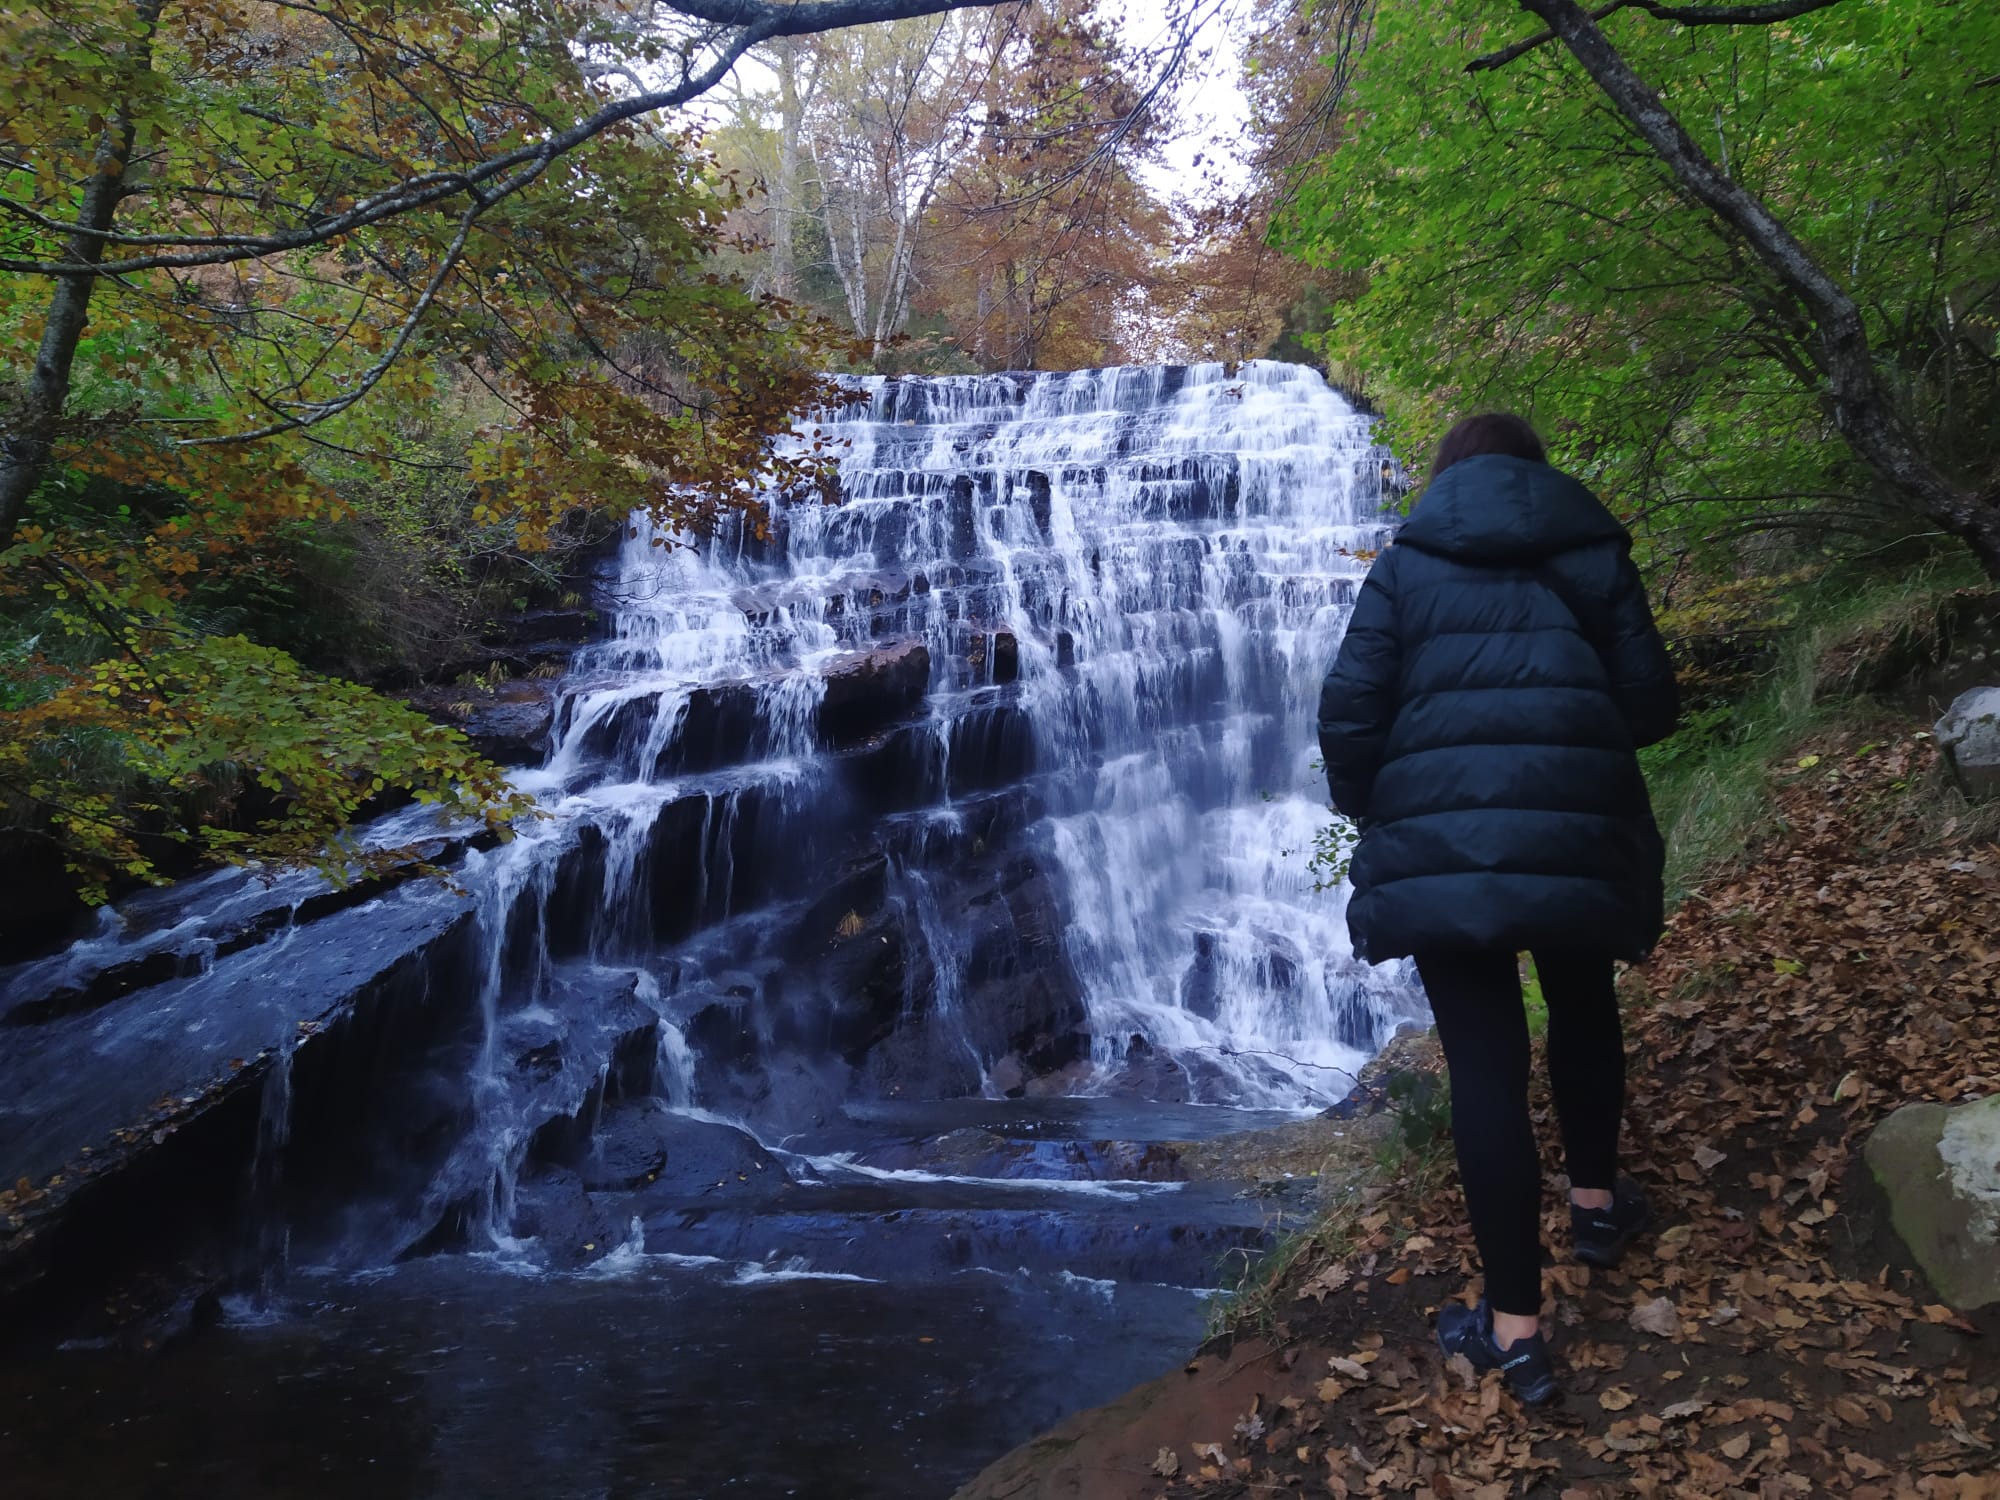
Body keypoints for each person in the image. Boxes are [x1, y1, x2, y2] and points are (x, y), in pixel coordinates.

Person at [1317, 412, 1679, 1405]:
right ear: (1535, 474)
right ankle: (1597, 1207)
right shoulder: (1592, 552)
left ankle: (1512, 1330)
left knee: (1483, 1065)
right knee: (1581, 1004)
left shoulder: (1407, 564)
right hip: (1571, 829)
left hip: (1444, 849)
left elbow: (1347, 708)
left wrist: (1373, 803)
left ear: (1445, 475)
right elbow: (1651, 704)